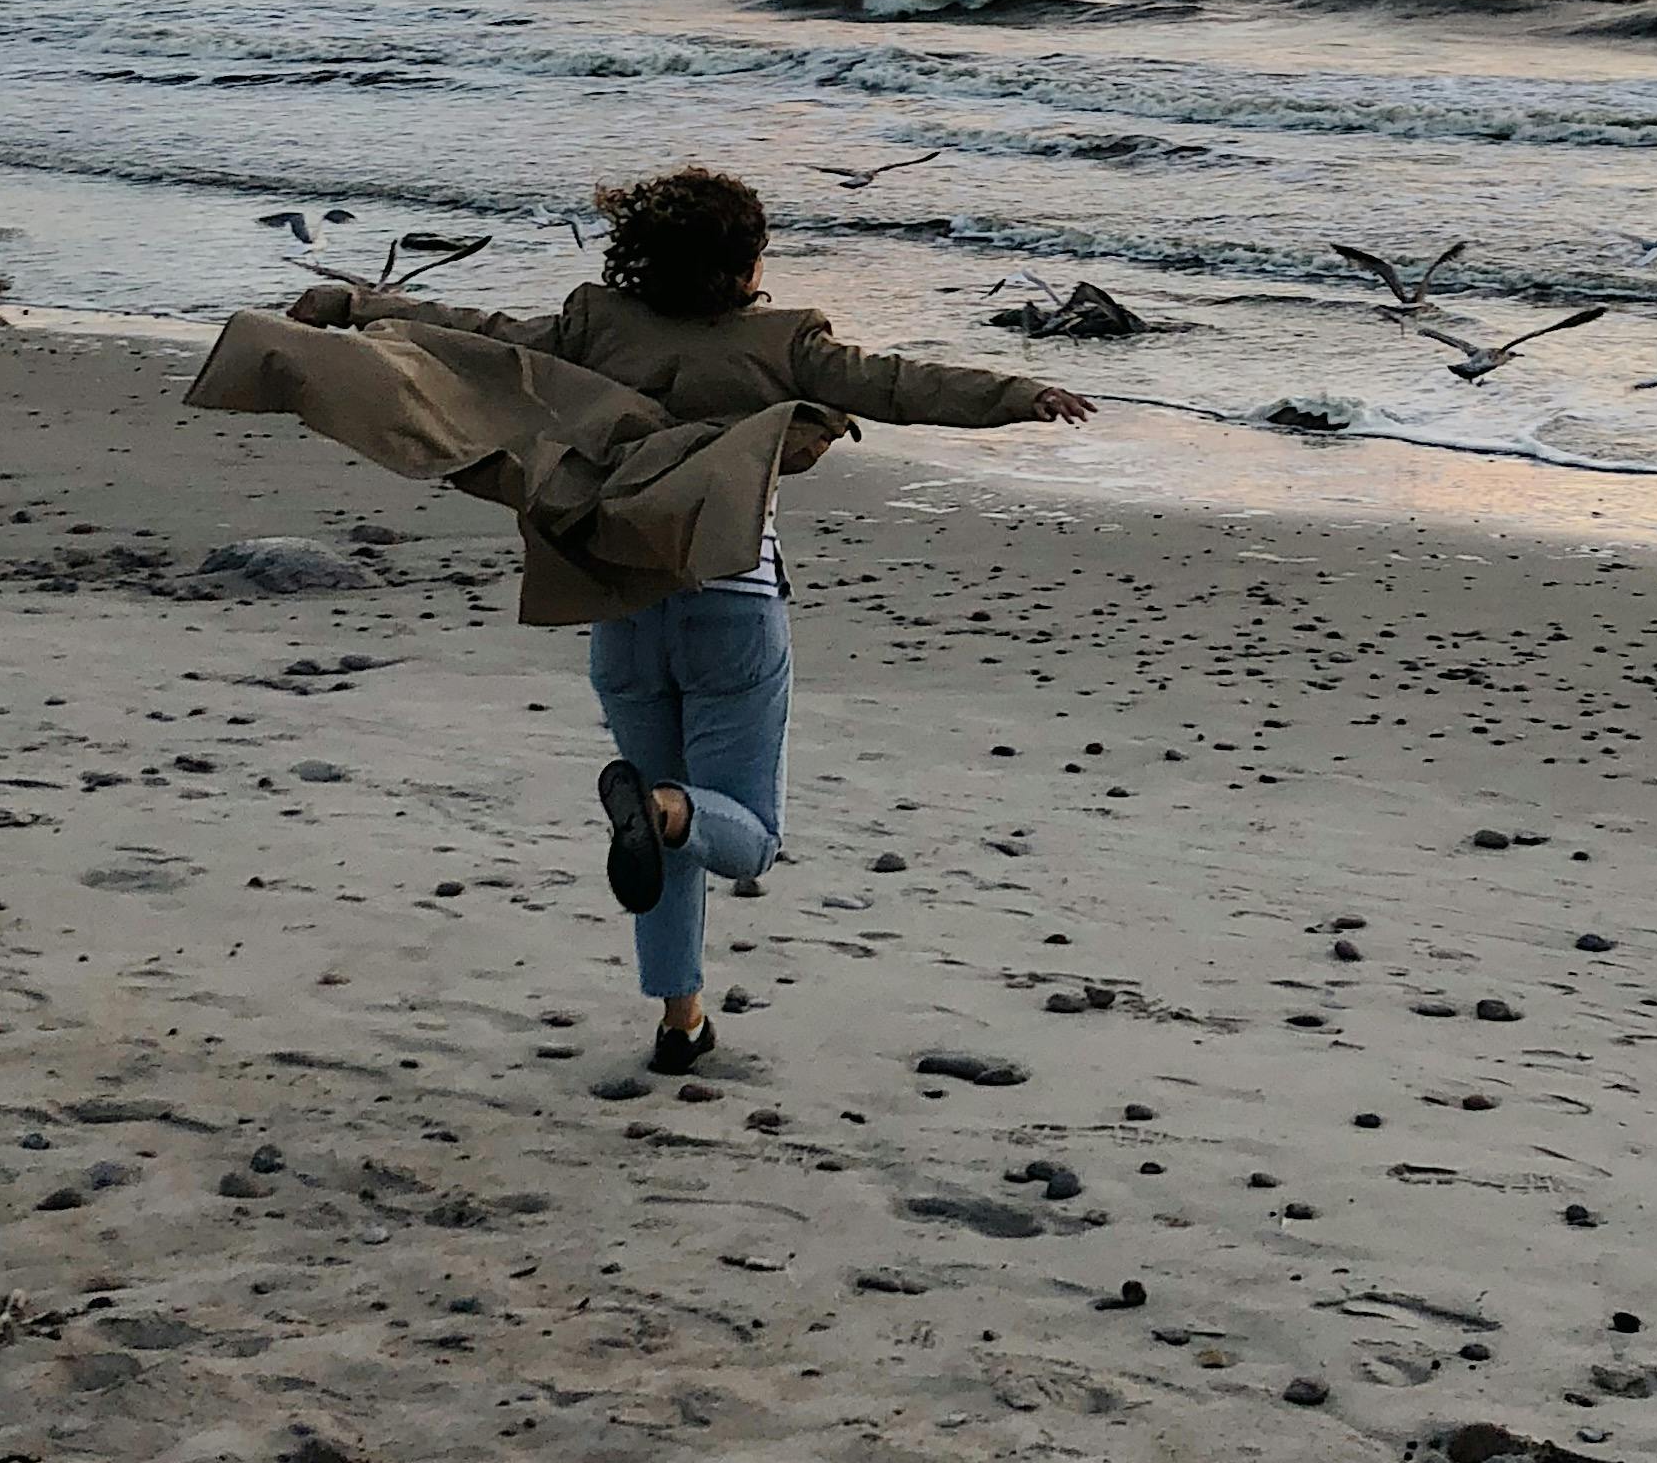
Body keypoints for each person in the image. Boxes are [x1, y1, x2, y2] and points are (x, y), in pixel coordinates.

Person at [251, 166, 1087, 1076]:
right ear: (745, 262)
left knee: (664, 840)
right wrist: (1018, 394)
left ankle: (680, 1020)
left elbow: (479, 336)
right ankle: (664, 812)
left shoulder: (595, 326)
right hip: (732, 610)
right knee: (742, 835)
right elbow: (897, 385)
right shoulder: (786, 340)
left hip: (621, 607)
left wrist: (356, 305)